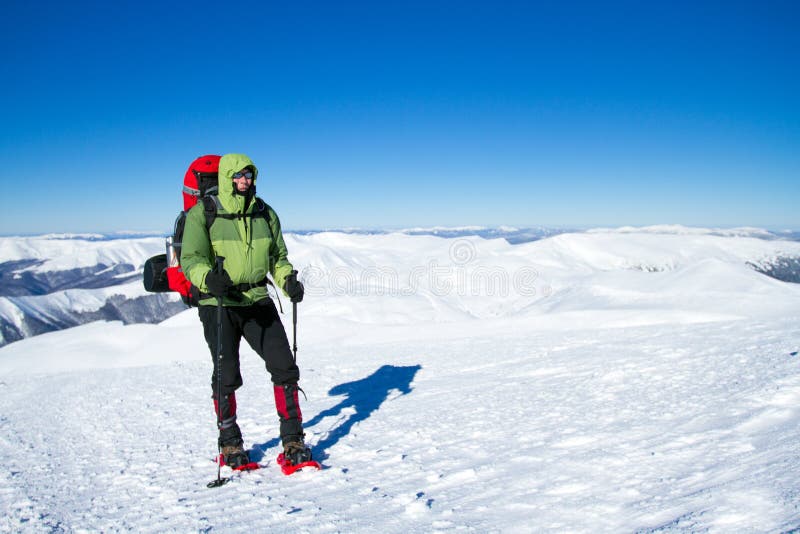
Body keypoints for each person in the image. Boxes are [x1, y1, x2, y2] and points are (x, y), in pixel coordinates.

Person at [180, 153, 309, 468]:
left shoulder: (264, 212)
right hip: (219, 303)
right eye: (238, 175)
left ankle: (293, 441)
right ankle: (230, 444)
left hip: (257, 298)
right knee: (226, 375)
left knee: (285, 367)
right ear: (226, 178)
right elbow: (191, 259)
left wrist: (287, 281)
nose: (244, 180)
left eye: (249, 175)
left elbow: (277, 257)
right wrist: (208, 279)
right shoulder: (203, 213)